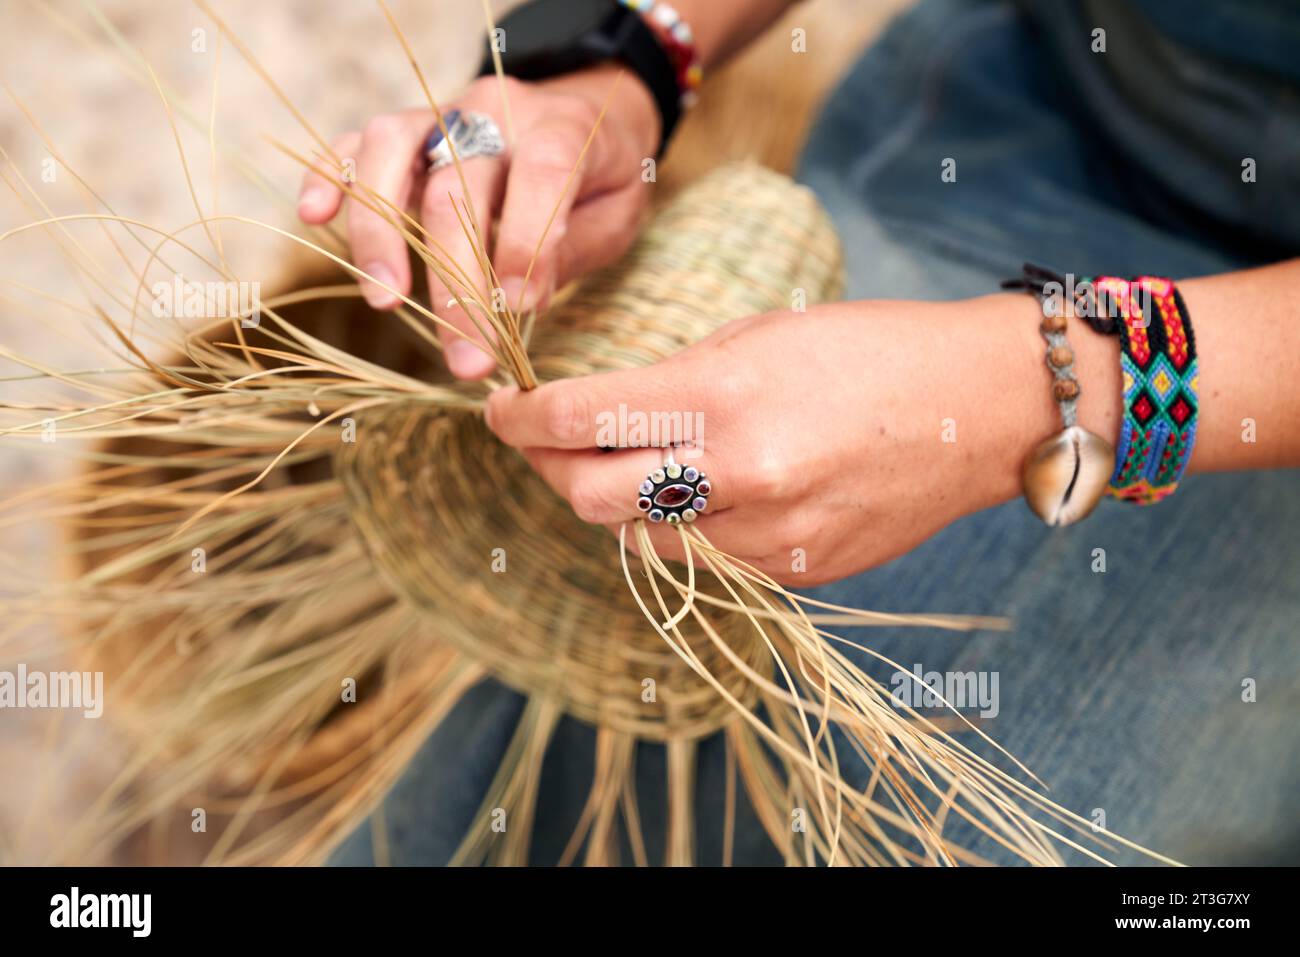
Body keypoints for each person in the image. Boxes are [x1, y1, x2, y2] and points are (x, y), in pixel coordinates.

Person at [310, 0, 1300, 865]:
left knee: (1038, 806)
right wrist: (618, 46)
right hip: (1048, 134)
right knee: (685, 625)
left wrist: (1038, 391)